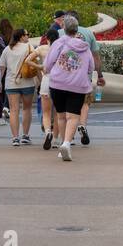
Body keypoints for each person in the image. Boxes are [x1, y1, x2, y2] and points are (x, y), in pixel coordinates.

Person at [42, 14, 96, 161]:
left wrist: (49, 70)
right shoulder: (85, 47)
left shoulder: (58, 43)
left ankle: (61, 144)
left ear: (63, 28)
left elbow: (48, 63)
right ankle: (67, 143)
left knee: (60, 116)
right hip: (78, 85)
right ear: (76, 29)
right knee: (73, 117)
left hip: (57, 84)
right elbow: (91, 67)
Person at [67, 10, 103, 145]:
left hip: (65, 77)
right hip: (84, 77)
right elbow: (96, 56)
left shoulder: (60, 34)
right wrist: (99, 74)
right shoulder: (88, 33)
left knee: (67, 105)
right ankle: (82, 124)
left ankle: (68, 137)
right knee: (84, 103)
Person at [0, 28, 39, 145]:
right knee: (27, 109)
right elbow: (35, 65)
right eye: (27, 34)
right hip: (27, 82)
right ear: (21, 37)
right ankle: (25, 136)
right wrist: (41, 82)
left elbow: (2, 68)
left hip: (11, 83)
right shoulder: (29, 47)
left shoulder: (7, 49)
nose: (28, 37)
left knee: (14, 110)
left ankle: (15, 138)